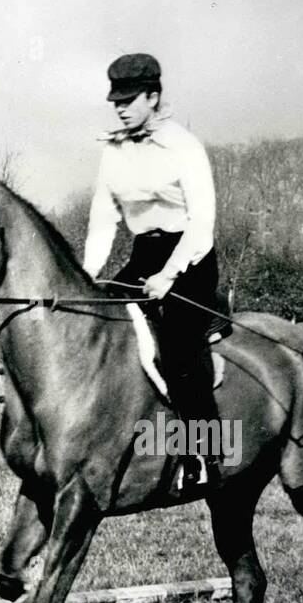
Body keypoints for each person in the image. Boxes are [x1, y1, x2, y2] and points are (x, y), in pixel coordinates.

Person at [83, 52, 231, 496]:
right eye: (116, 101)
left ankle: (204, 455)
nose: (121, 108)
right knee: (98, 326)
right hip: (143, 252)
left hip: (190, 257)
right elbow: (102, 222)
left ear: (154, 97)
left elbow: (202, 225)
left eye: (130, 100)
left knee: (180, 355)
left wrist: (169, 276)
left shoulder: (184, 147)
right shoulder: (113, 152)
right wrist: (87, 279)